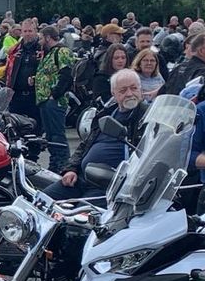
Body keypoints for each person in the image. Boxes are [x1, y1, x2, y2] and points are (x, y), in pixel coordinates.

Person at [49, 69, 146, 199]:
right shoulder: (106, 113)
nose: (129, 94)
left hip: (108, 184)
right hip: (81, 178)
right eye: (123, 90)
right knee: (41, 203)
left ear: (140, 90)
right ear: (114, 93)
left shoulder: (146, 117)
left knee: (81, 216)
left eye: (134, 88)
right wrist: (71, 169)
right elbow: (85, 145)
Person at [32, 26, 76, 170]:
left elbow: (66, 75)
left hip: (54, 101)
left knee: (57, 135)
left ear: (48, 37)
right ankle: (55, 164)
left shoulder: (61, 52)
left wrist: (54, 94)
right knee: (51, 136)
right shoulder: (50, 53)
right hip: (45, 101)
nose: (39, 41)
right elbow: (50, 73)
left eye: (40, 38)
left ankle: (63, 165)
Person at [161, 31, 205, 102]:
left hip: (171, 110)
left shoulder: (177, 68)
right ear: (201, 51)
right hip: (188, 111)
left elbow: (162, 92)